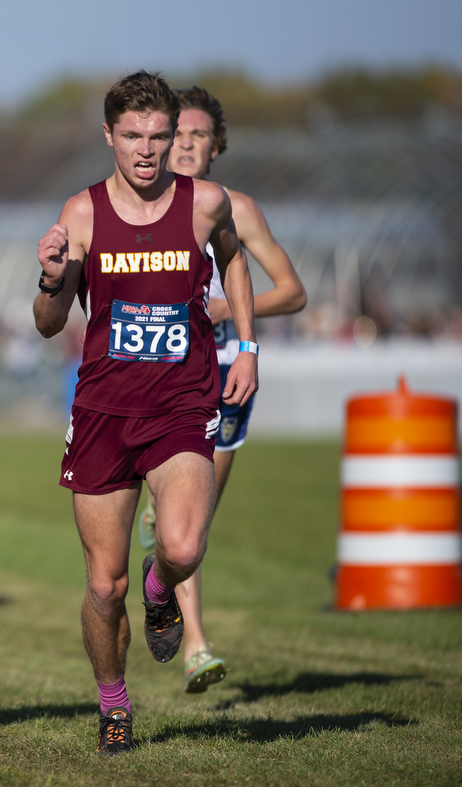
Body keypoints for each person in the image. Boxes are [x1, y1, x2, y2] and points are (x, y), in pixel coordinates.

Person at [32, 71, 257, 755]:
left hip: (180, 404)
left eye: (161, 136)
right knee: (105, 585)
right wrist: (48, 277)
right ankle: (114, 704)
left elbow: (235, 260)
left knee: (184, 545)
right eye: (133, 136)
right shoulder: (81, 213)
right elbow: (47, 324)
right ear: (109, 136)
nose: (147, 150)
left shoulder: (205, 203)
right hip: (102, 409)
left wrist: (245, 346)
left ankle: (162, 591)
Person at [137, 86, 306, 693]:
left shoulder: (235, 208)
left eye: (197, 135)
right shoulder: (141, 203)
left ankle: (163, 541)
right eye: (174, 133)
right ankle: (197, 644)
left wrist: (225, 309)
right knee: (176, 515)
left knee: (195, 520)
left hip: (228, 373)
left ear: (216, 147)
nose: (183, 144)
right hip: (162, 376)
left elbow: (293, 290)